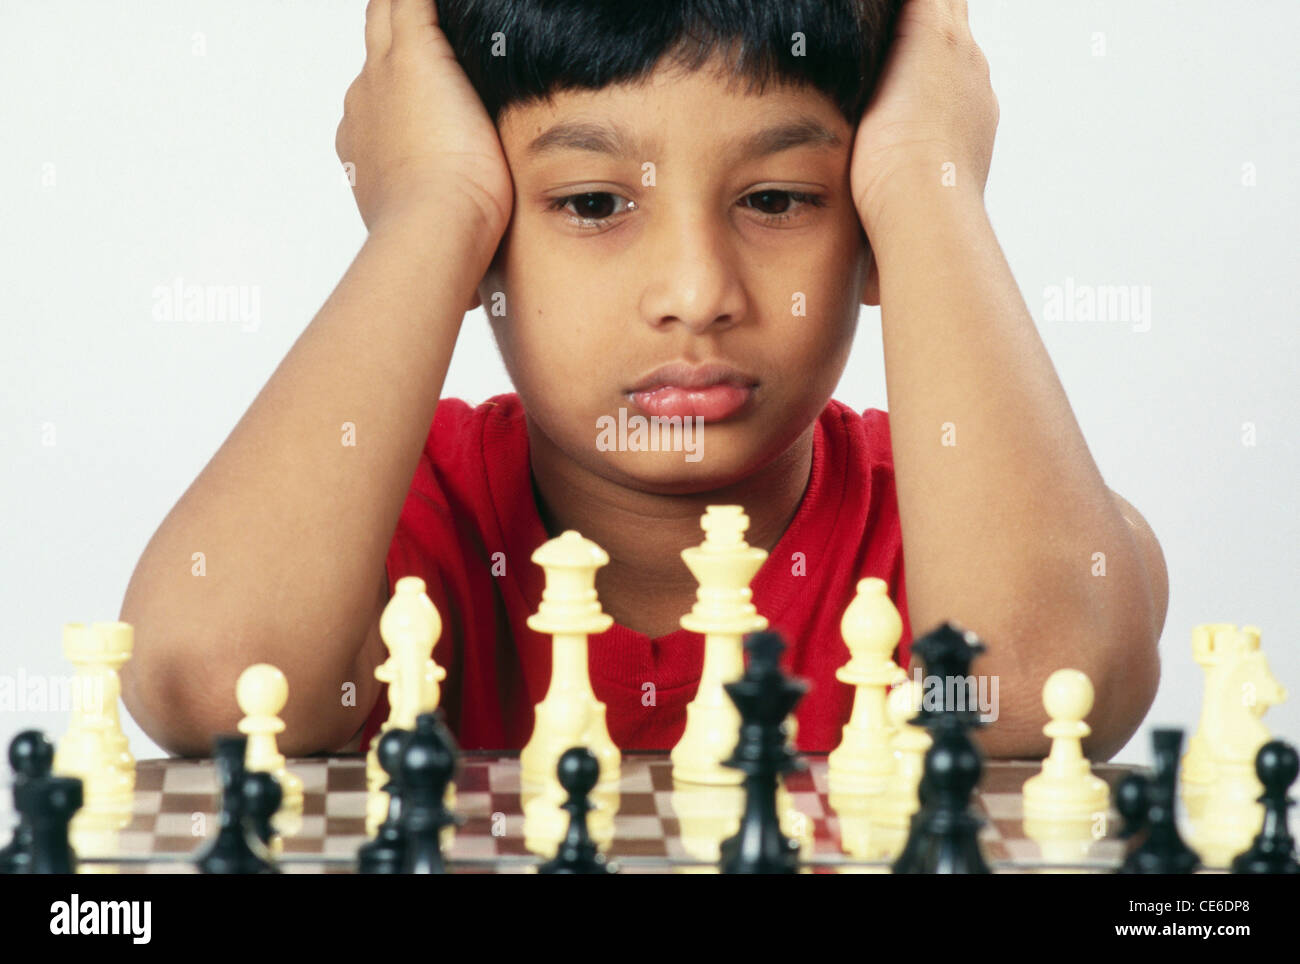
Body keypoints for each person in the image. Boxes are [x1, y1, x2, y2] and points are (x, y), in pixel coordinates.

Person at [121, 0, 1167, 761]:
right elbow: (215, 685)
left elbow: (1039, 694)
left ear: (871, 229)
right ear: (483, 239)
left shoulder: (955, 521)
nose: (696, 292)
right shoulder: (381, 509)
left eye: (777, 197)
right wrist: (429, 205)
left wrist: (925, 178)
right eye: (588, 204)